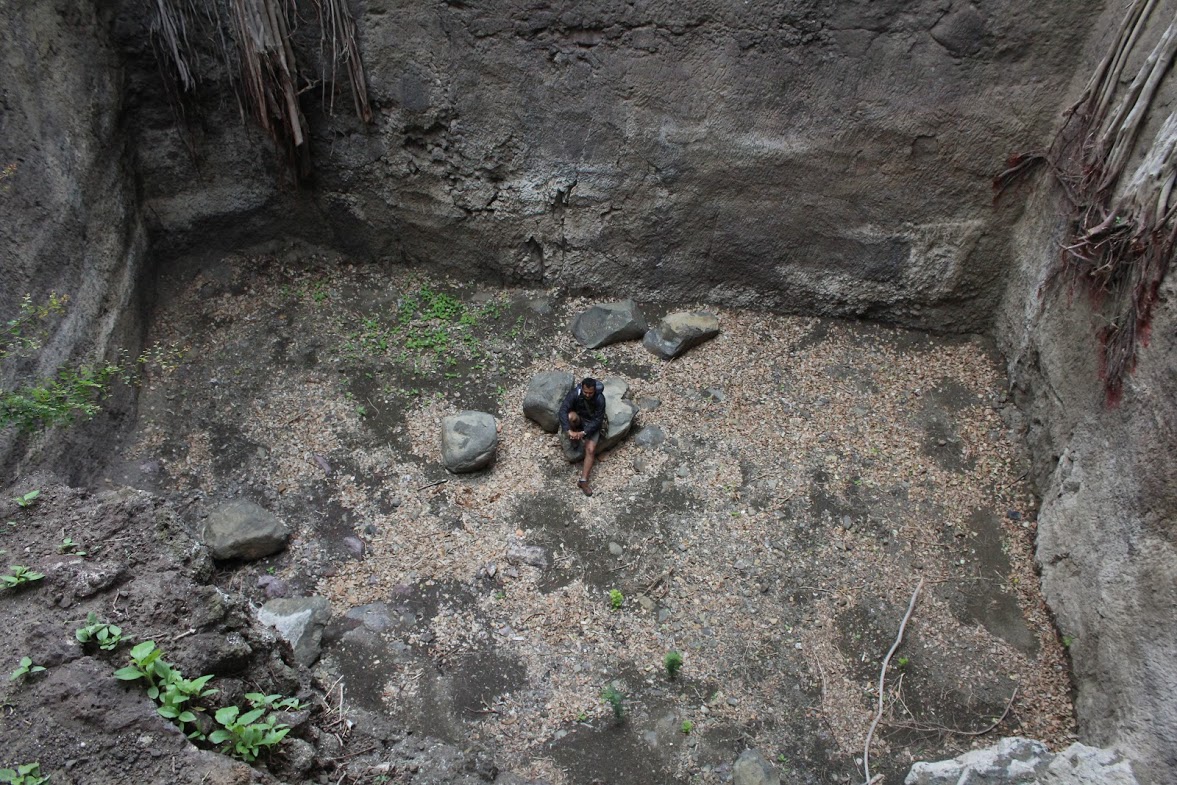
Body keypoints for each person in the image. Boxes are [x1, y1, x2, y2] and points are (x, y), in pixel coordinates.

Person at [558, 376, 607, 496]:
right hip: (580, 418)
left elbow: (597, 420)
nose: (588, 395)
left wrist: (584, 433)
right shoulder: (575, 393)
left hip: (592, 423)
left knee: (590, 450)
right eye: (586, 392)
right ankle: (573, 439)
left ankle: (583, 481)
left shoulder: (600, 399)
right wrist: (569, 431)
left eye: (590, 393)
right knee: (570, 417)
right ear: (582, 388)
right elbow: (563, 410)